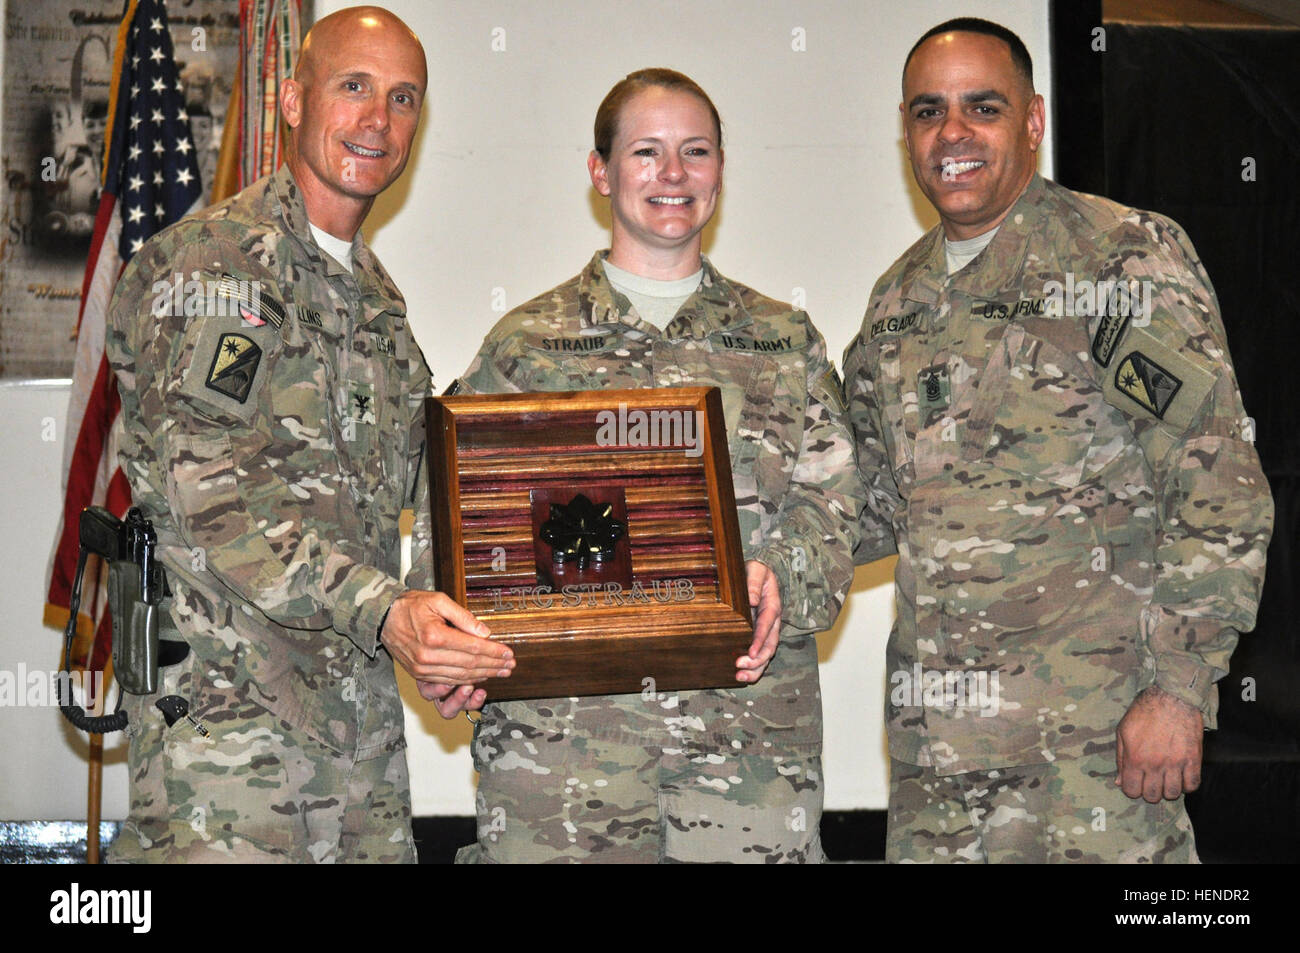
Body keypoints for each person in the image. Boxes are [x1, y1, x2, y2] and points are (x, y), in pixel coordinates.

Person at [843, 17, 1273, 862]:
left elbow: (1216, 480)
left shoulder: (1114, 260)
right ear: (907, 131)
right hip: (937, 763)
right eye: (929, 111)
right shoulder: (898, 301)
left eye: (983, 107)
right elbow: (873, 504)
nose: (953, 133)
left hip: (1089, 751)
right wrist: (731, 545)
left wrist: (1180, 688)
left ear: (1034, 120)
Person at [105, 6, 513, 863]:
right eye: (354, 86)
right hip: (229, 745)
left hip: (360, 740)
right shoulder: (214, 266)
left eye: (403, 98)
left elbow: (430, 481)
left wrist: (447, 632)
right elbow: (215, 498)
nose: (378, 119)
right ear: (293, 101)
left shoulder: (377, 301)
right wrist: (389, 612)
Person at [439, 68, 862, 863]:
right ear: (600, 172)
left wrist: (781, 572)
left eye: (696, 151)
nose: (673, 173)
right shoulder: (524, 345)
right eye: (646, 151)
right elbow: (460, 513)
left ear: (721, 170)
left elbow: (835, 504)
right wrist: (452, 642)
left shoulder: (784, 341)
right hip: (561, 756)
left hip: (747, 750)